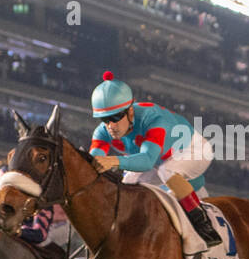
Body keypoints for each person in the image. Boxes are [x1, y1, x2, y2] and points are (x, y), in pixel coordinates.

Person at [87, 71, 221, 246]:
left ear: (130, 111)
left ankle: (203, 224)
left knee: (167, 171)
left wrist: (114, 161)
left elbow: (147, 160)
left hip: (193, 149)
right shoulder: (102, 132)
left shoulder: (153, 120)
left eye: (115, 117)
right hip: (161, 159)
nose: (110, 126)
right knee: (127, 187)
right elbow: (93, 163)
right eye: (104, 119)